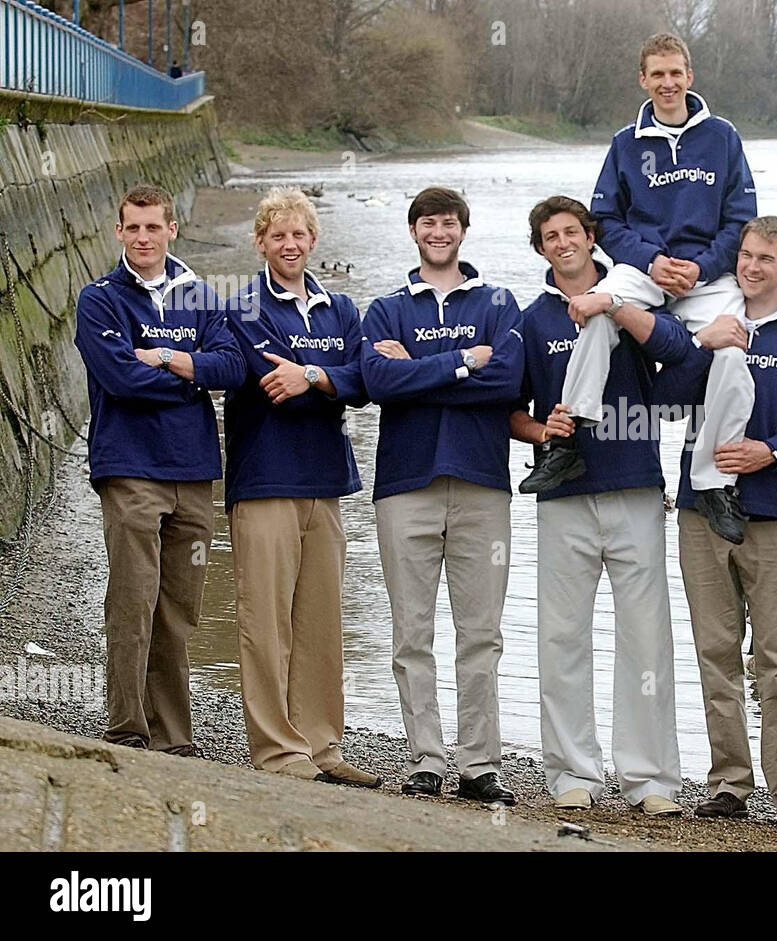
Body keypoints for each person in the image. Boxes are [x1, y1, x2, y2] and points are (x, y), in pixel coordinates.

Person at [522, 32, 759, 546]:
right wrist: (651, 261)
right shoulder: (624, 143)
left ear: (690, 76)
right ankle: (569, 444)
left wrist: (698, 268)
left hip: (707, 275)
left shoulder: (722, 136)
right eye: (658, 74)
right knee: (594, 312)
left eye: (676, 73)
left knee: (735, 350)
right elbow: (604, 219)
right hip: (645, 268)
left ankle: (712, 482)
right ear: (643, 79)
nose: (668, 83)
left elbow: (741, 221)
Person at [511, 196, 694, 817]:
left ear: (592, 238)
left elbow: (680, 351)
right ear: (540, 248)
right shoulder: (532, 318)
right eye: (550, 236)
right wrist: (542, 431)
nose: (562, 242)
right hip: (563, 494)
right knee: (562, 636)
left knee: (646, 639)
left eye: (572, 232)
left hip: (636, 485)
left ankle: (650, 779)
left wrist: (615, 305)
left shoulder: (631, 294)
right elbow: (509, 408)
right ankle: (572, 772)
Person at [653, 217, 777, 829]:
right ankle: (729, 780)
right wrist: (701, 340)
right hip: (701, 512)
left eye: (768, 259)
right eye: (747, 256)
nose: (754, 267)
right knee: (715, 650)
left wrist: (771, 451)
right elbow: (665, 399)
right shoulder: (708, 314)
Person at [361, 186, 524, 804]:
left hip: (482, 485)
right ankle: (426, 759)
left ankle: (480, 764)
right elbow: (379, 381)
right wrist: (461, 361)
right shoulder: (384, 310)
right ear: (413, 231)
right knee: (412, 631)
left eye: (448, 223)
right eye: (428, 223)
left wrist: (419, 371)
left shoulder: (498, 302)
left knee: (481, 632)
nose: (438, 232)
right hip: (406, 485)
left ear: (463, 231)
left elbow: (508, 380)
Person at [73, 184, 245, 754]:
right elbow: (119, 377)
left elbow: (231, 367)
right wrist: (190, 378)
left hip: (194, 470)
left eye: (154, 227)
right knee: (133, 598)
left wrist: (171, 359)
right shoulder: (99, 299)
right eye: (133, 227)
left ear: (172, 229)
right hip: (130, 467)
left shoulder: (200, 295)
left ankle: (173, 735)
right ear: (119, 232)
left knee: (180, 605)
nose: (143, 237)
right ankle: (127, 726)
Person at [223, 187, 379, 786]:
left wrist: (314, 374)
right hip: (264, 479)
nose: (290, 244)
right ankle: (277, 751)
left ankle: (321, 746)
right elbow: (271, 382)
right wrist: (327, 382)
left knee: (320, 621)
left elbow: (365, 381)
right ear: (261, 242)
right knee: (266, 622)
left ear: (314, 241)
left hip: (326, 480)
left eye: (300, 235)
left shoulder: (341, 309)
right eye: (278, 235)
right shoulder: (242, 308)